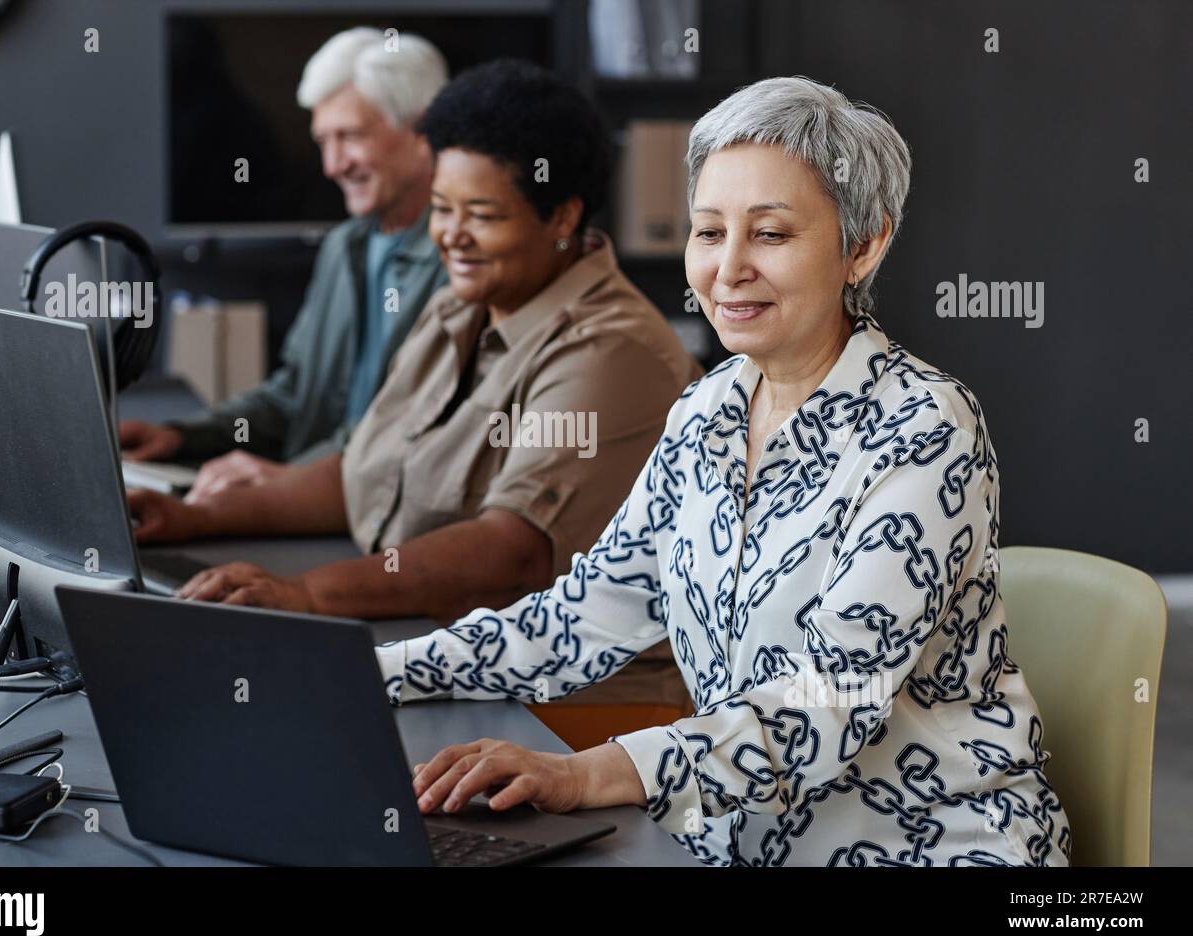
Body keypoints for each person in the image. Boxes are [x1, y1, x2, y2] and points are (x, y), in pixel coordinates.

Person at [376, 76, 1072, 867]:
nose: (728, 268)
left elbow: (826, 702)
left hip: (928, 848)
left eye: (770, 235)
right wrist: (373, 672)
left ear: (864, 244)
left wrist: (583, 774)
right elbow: (585, 616)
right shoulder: (705, 410)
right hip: (730, 847)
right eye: (709, 233)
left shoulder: (923, 427)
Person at [128, 60, 701, 708]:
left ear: (563, 217)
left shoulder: (611, 352)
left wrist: (308, 595)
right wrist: (193, 519)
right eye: (441, 209)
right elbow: (369, 471)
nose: (450, 237)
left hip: (570, 713)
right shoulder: (464, 304)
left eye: (481, 214)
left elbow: (511, 553)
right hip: (434, 647)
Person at [120, 28, 449, 501]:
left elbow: (416, 434)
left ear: (423, 133)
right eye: (323, 141)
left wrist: (285, 483)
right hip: (309, 501)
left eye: (350, 136)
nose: (332, 165)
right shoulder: (343, 248)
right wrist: (183, 436)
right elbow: (293, 394)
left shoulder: (463, 259)